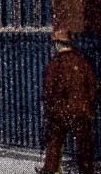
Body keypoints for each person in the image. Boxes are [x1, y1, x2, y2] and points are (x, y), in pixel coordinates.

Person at [37, 29, 97, 174]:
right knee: (84, 148)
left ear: (58, 44)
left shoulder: (54, 64)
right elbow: (93, 87)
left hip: (59, 112)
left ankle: (49, 171)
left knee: (54, 145)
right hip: (81, 111)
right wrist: (88, 104)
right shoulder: (82, 62)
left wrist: (47, 107)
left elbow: (48, 91)